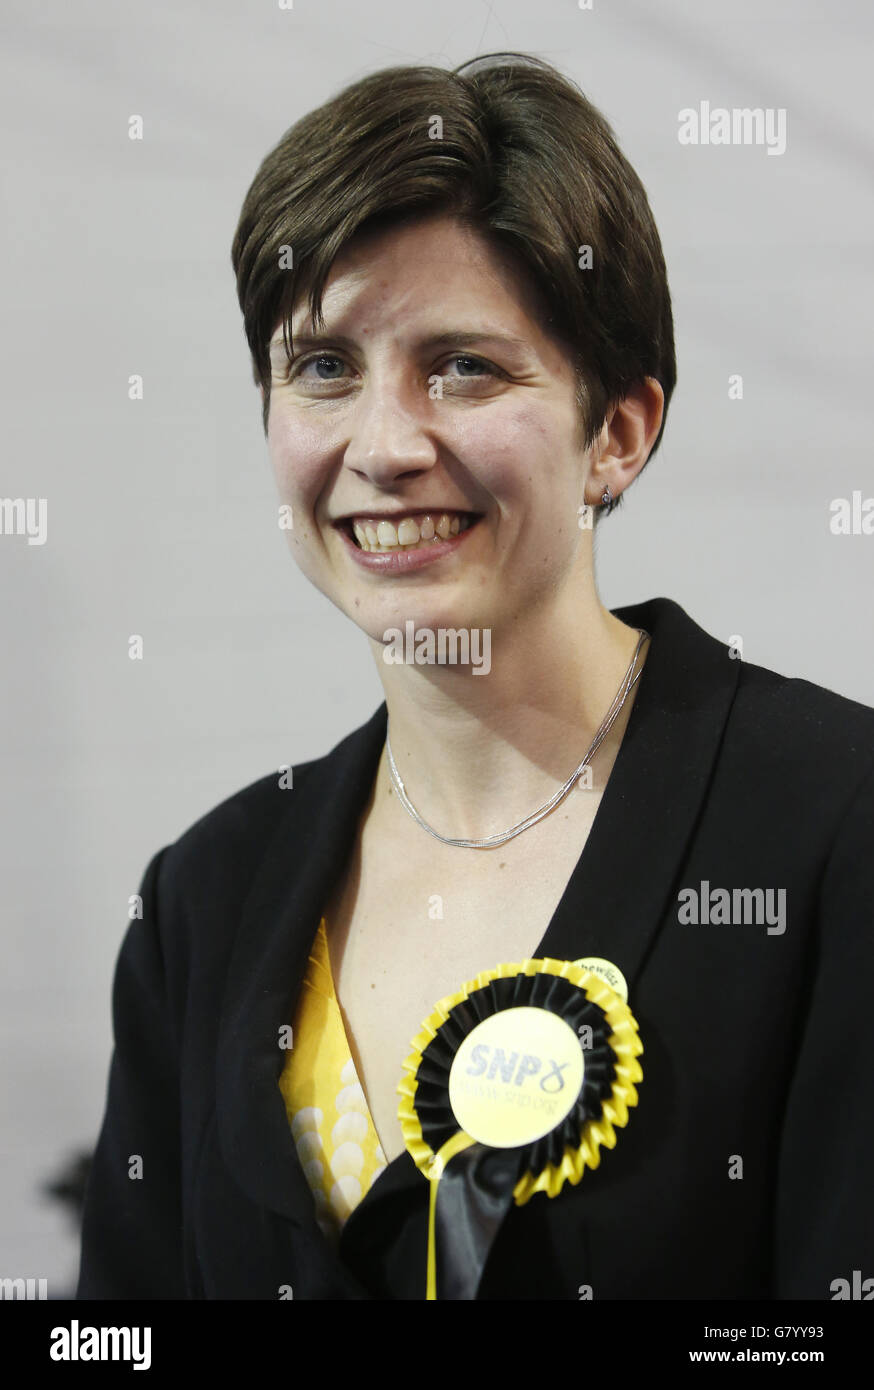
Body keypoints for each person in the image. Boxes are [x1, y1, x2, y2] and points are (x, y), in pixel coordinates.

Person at [76, 52, 874, 1301]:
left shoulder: (835, 824)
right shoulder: (203, 902)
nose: (386, 446)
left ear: (617, 429)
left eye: (465, 366)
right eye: (323, 367)